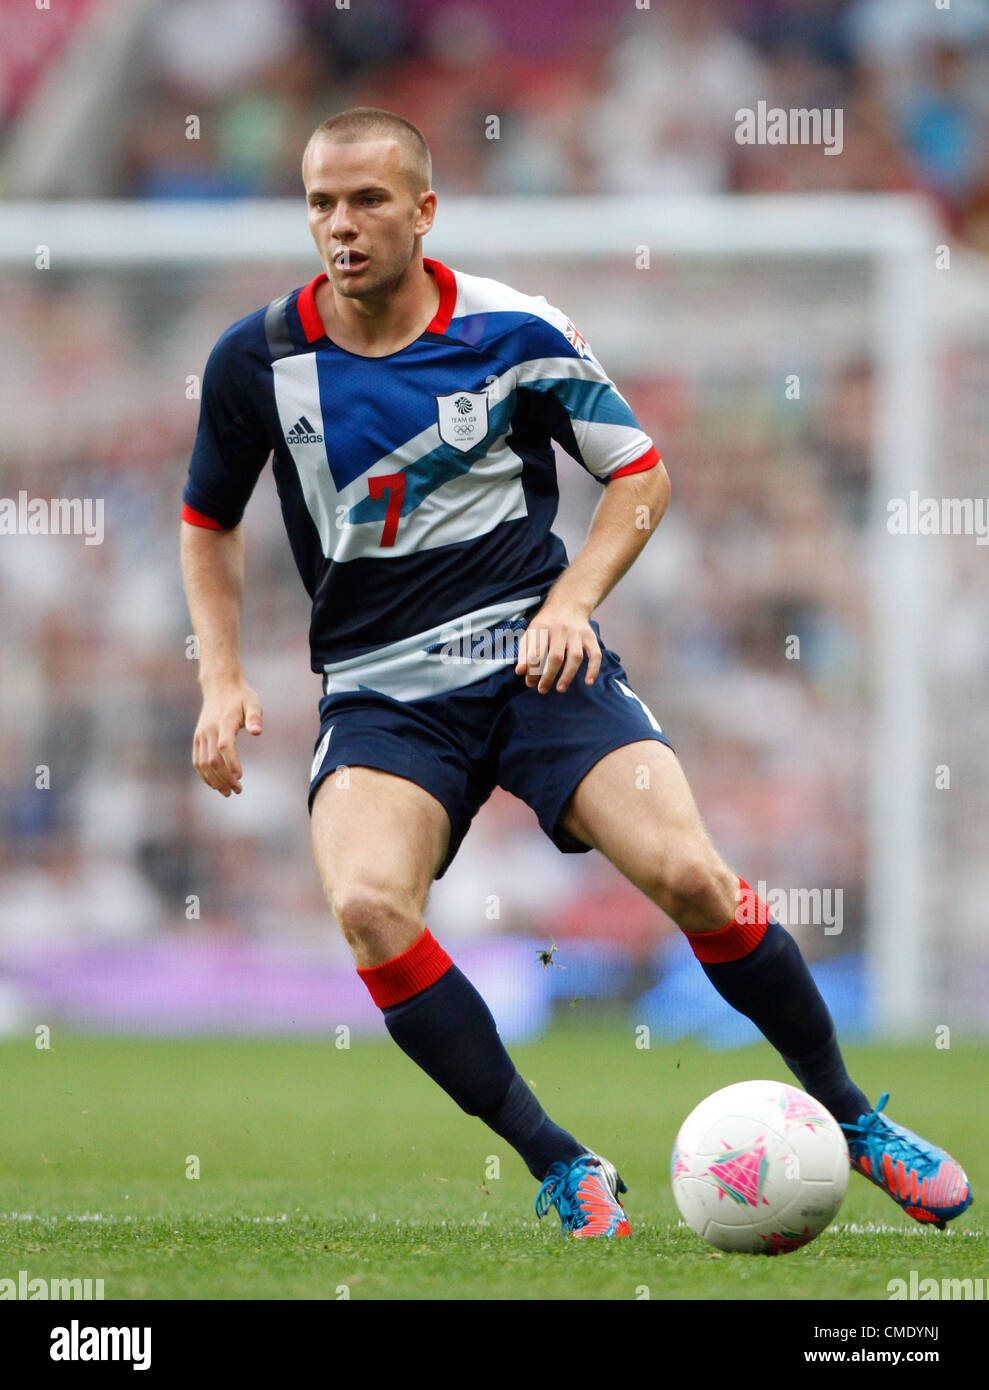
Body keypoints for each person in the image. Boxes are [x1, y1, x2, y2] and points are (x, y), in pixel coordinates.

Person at [180, 106, 971, 1238]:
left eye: (366, 202)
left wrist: (569, 604)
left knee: (691, 877)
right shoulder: (255, 358)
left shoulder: (516, 332)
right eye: (320, 203)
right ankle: (558, 1159)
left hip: (536, 665)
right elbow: (205, 522)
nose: (340, 227)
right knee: (365, 905)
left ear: (423, 212)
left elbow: (639, 476)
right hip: (380, 690)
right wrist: (218, 677)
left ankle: (852, 1119)